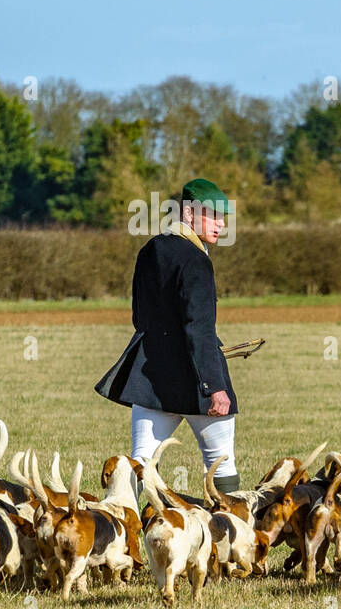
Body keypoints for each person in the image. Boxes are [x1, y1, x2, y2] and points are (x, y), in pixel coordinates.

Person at [94, 178, 240, 492]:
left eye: (223, 217)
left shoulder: (150, 250)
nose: (221, 223)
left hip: (152, 377)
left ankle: (123, 532)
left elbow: (140, 317)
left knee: (141, 462)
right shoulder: (196, 260)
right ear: (188, 214)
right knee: (221, 462)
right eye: (212, 215)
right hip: (195, 380)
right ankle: (227, 535)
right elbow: (199, 328)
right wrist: (214, 386)